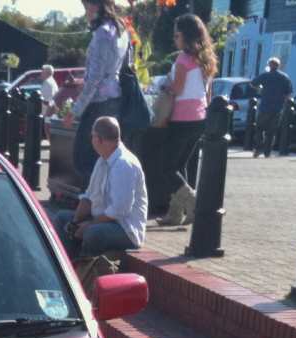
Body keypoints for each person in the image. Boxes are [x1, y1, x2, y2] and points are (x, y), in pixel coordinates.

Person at [52, 116, 146, 258]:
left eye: (92, 136)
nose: (91, 140)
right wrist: (76, 220)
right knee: (62, 219)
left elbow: (119, 210)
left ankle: (87, 270)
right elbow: (89, 196)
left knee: (92, 233)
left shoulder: (124, 165)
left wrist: (90, 223)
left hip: (126, 229)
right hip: (102, 219)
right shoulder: (102, 161)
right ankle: (72, 267)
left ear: (99, 140)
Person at [156, 13, 216, 226]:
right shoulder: (207, 59)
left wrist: (165, 85)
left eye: (177, 35)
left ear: (186, 36)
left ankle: (193, 203)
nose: (175, 39)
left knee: (167, 168)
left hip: (182, 118)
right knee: (180, 166)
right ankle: (175, 213)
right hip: (200, 118)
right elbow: (207, 93)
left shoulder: (183, 59)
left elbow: (178, 88)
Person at [63, 0, 128, 181]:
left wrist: (73, 112)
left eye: (86, 8)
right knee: (101, 161)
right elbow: (123, 67)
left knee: (82, 161)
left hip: (98, 105)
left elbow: (94, 82)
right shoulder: (122, 31)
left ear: (97, 6)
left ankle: (94, 203)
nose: (85, 14)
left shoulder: (102, 33)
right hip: (115, 100)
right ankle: (97, 203)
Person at [249, 57, 292, 158]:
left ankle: (258, 149)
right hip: (277, 108)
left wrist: (260, 87)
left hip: (265, 107)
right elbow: (288, 92)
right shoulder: (284, 77)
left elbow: (252, 83)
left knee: (259, 128)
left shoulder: (265, 75)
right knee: (271, 132)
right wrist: (283, 103)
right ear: (278, 65)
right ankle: (267, 152)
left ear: (269, 65)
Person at [39, 64, 58, 140]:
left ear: (47, 73)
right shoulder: (52, 81)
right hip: (52, 111)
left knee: (48, 131)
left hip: (48, 112)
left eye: (42, 72)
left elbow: (47, 100)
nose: (41, 73)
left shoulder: (47, 83)